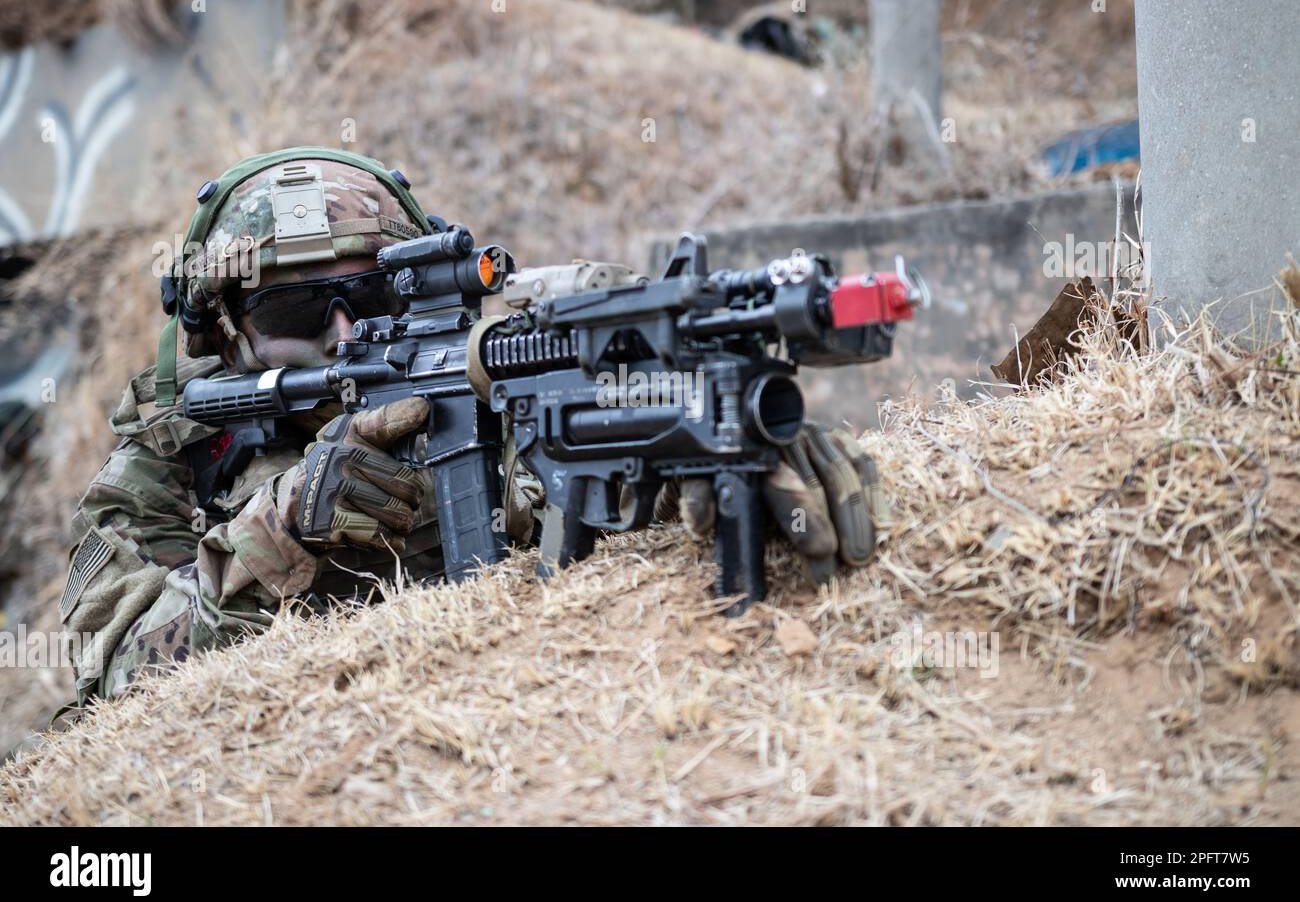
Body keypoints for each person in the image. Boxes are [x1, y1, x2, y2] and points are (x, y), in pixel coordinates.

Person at [60, 146, 881, 707]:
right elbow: (111, 684)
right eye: (296, 308)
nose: (346, 334)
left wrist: (730, 426)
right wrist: (281, 532)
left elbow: (623, 437)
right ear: (226, 328)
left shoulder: (497, 370)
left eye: (374, 297)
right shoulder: (175, 462)